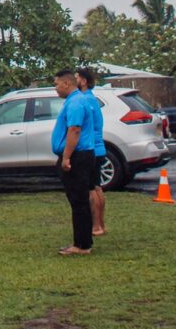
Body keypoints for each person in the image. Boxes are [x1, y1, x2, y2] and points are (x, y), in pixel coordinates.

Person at [53, 68, 96, 256]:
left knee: (79, 201)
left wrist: (66, 157)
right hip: (78, 155)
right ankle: (81, 241)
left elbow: (75, 130)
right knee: (77, 200)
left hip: (78, 157)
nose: (55, 88)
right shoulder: (75, 100)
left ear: (66, 83)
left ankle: (82, 245)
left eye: (56, 84)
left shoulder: (76, 103)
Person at [76, 68, 107, 238]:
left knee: (91, 189)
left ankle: (96, 225)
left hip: (92, 149)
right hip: (99, 148)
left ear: (84, 81)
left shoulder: (85, 99)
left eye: (77, 78)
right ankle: (101, 224)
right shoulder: (92, 99)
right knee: (97, 186)